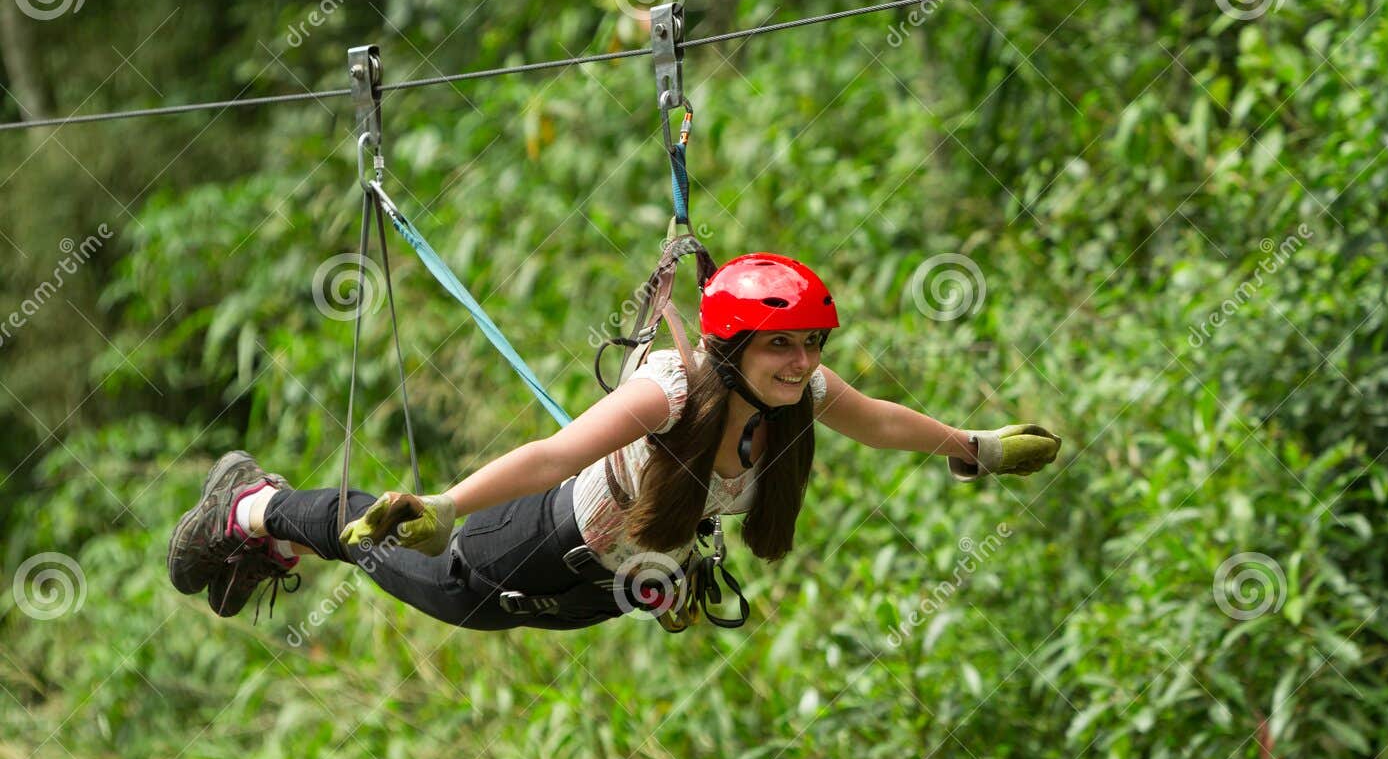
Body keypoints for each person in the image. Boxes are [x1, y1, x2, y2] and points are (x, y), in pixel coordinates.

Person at [166, 253, 1062, 630]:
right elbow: (556, 455)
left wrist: (972, 444)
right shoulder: (670, 390)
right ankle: (254, 508)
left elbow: (880, 421)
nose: (801, 362)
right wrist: (445, 504)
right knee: (421, 574)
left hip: (614, 584)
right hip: (534, 536)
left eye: (809, 343)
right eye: (781, 345)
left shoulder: (801, 397)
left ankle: (269, 522)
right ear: (733, 349)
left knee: (429, 580)